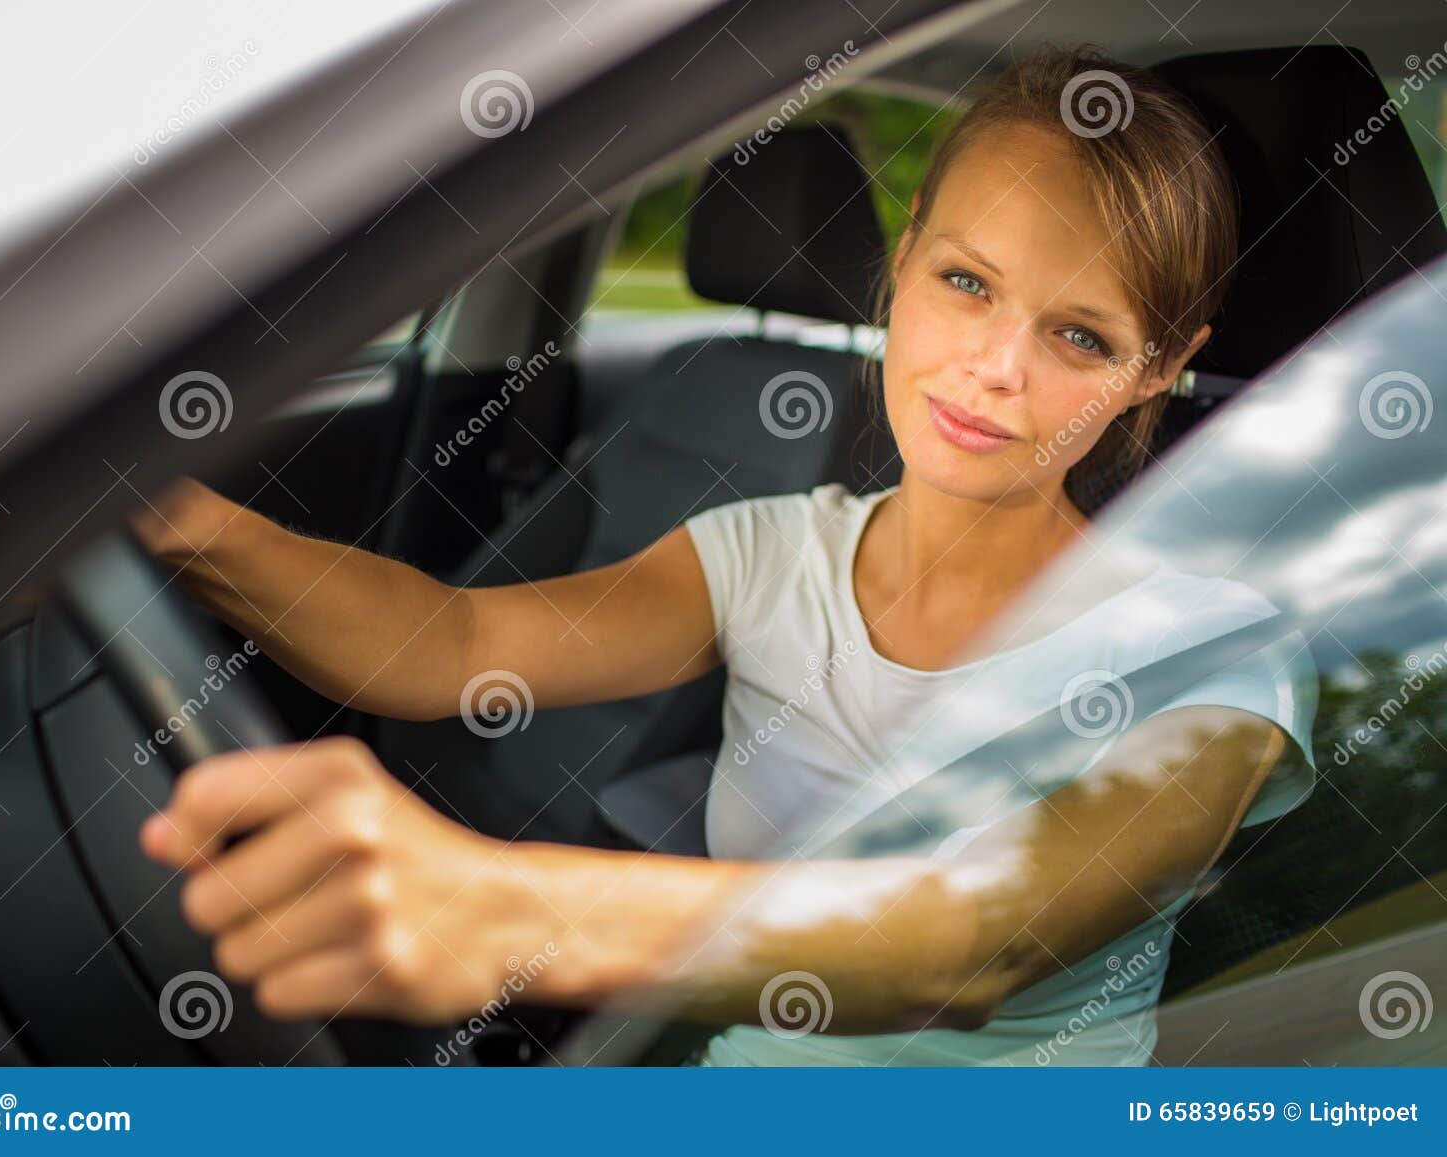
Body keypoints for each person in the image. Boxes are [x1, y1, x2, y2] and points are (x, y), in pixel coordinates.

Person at [132, 45, 1318, 1066]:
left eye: (1077, 333)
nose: (996, 366)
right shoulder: (767, 554)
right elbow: (447, 645)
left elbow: (973, 942)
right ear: (901, 266)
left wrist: (506, 910)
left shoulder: (1213, 652)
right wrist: (167, 522)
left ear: (1157, 367)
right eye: (966, 282)